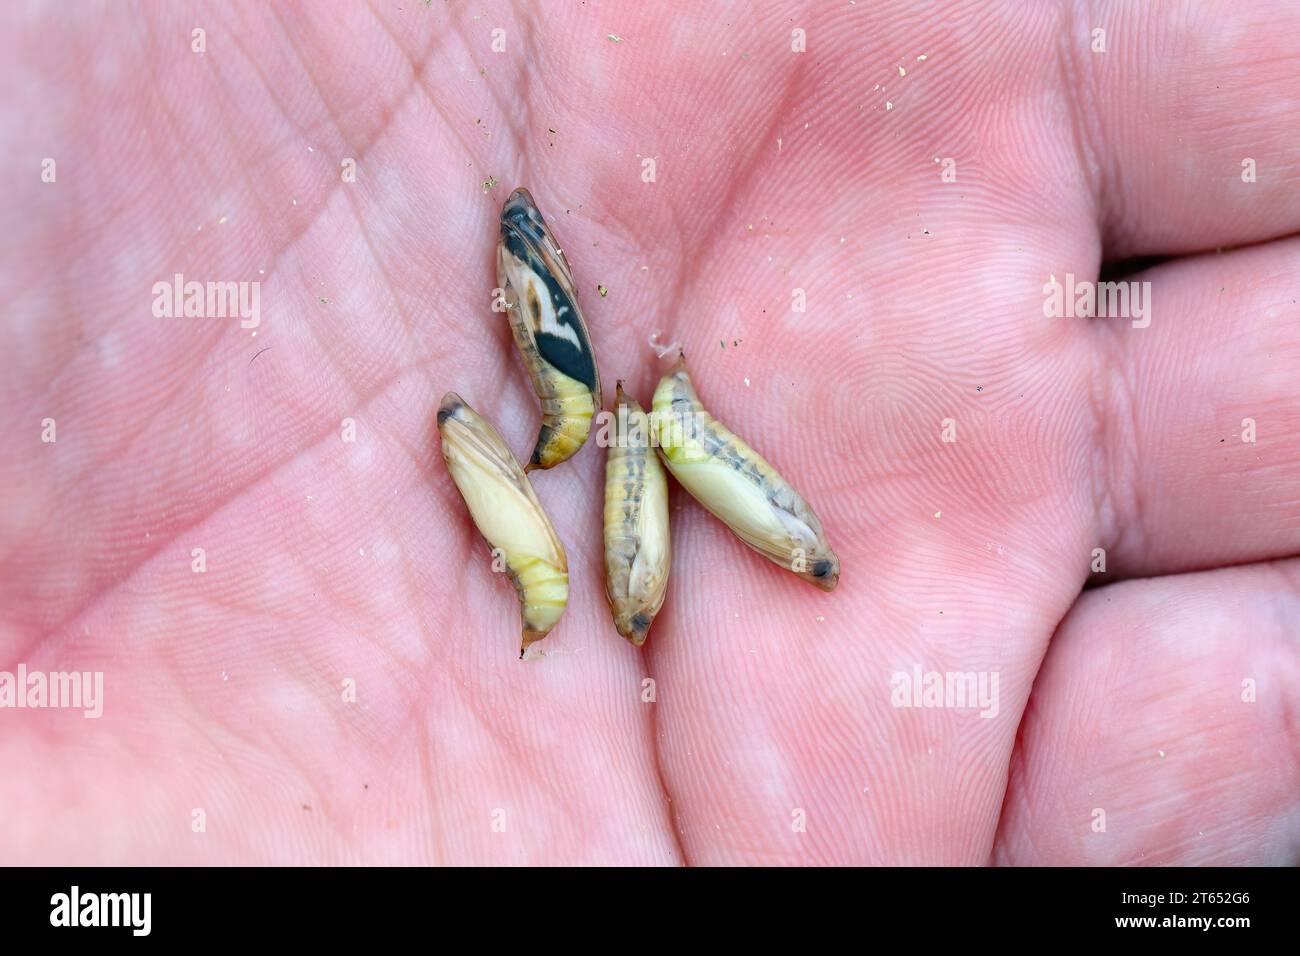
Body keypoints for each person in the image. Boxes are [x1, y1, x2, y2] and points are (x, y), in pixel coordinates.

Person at [2, 1, 1296, 865]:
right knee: (629, 506)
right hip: (601, 471)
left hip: (611, 463)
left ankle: (645, 443)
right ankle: (641, 446)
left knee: (641, 502)